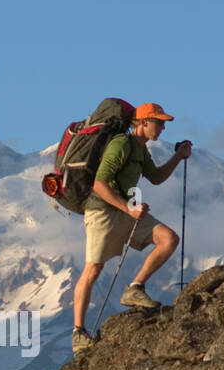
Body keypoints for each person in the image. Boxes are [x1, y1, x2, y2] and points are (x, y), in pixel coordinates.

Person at [72, 103, 191, 352]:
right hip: (102, 211)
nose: (163, 127)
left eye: (163, 123)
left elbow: (156, 178)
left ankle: (134, 289)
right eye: (159, 122)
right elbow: (100, 185)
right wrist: (129, 209)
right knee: (93, 269)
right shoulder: (121, 145)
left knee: (168, 239)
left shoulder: (140, 150)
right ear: (144, 122)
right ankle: (79, 333)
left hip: (127, 211)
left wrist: (178, 156)